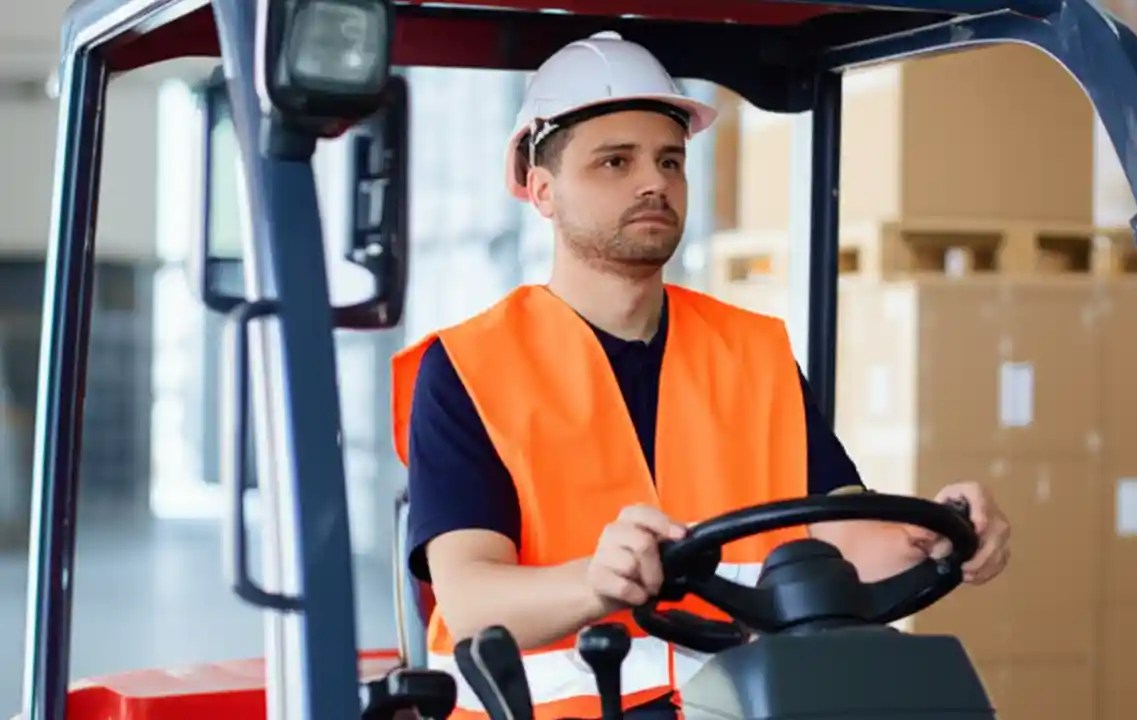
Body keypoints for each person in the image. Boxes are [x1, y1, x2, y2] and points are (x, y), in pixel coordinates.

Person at [390, 30, 1012, 720]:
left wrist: (940, 533)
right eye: (615, 162)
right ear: (542, 191)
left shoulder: (751, 351)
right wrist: (595, 582)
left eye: (670, 161)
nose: (653, 182)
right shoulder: (470, 368)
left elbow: (845, 541)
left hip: (744, 705)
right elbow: (470, 601)